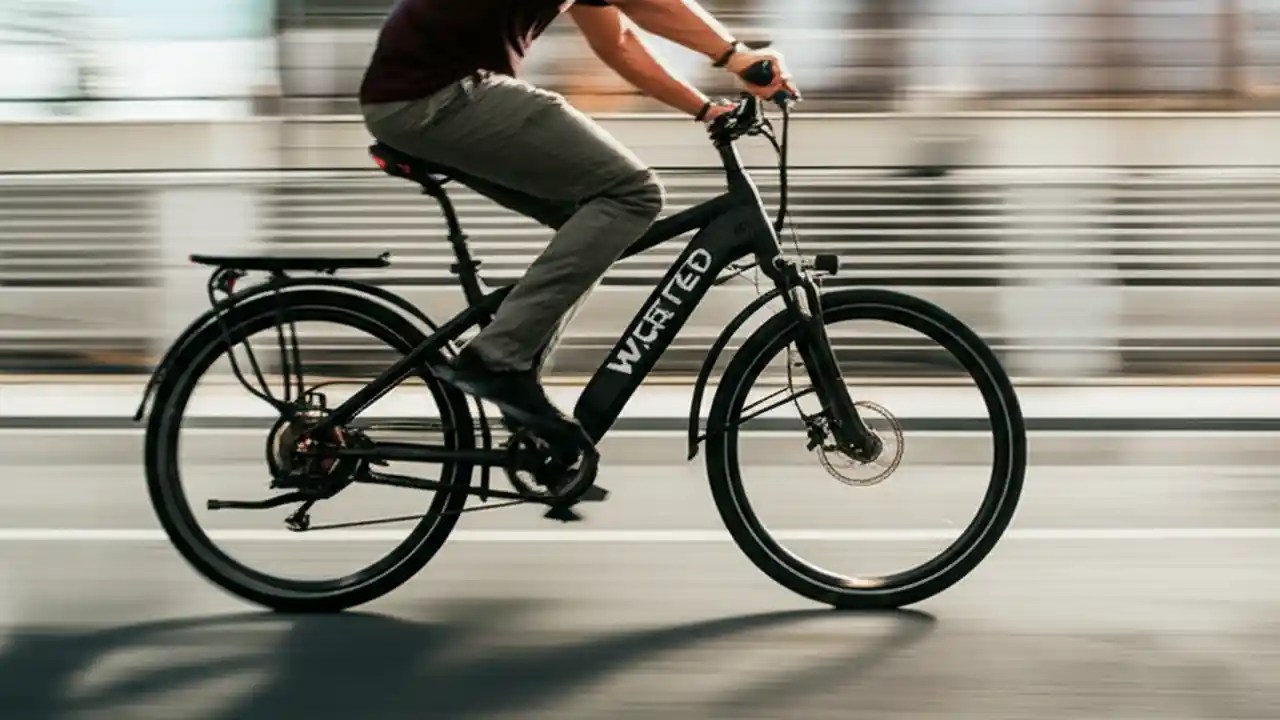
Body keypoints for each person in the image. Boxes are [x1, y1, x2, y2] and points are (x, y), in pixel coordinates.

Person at [359, 0, 799, 438]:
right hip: (436, 94)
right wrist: (735, 54)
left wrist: (705, 110)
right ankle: (497, 357)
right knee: (633, 195)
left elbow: (619, 40)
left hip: (423, 96)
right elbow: (649, 7)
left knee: (595, 224)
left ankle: (521, 387)